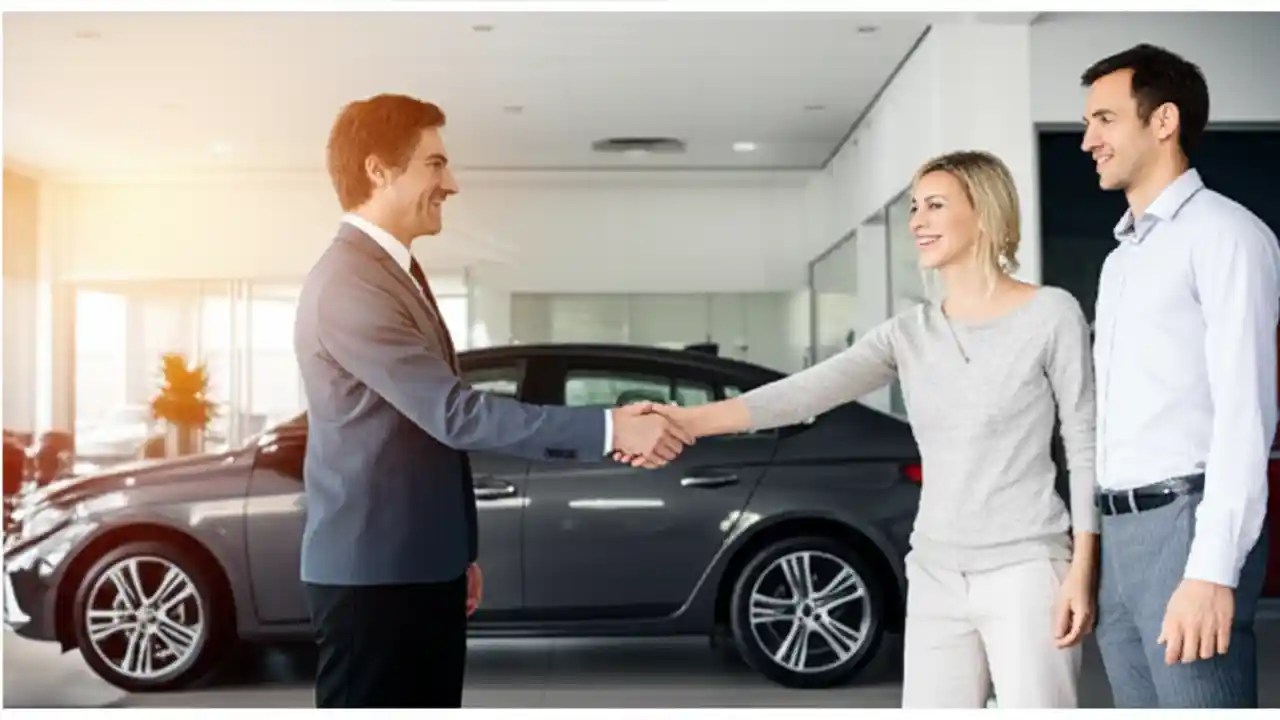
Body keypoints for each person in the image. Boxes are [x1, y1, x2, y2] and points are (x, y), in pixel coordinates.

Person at [618, 150, 1099, 708]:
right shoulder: (909, 333)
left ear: (986, 213)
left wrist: (1081, 568)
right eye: (915, 207)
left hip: (1026, 567)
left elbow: (1084, 442)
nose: (917, 220)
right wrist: (686, 420)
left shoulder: (1050, 315)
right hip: (936, 569)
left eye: (935, 205)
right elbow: (802, 394)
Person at [294, 93, 692, 709]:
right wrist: (610, 428)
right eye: (435, 164)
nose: (450, 183)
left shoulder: (394, 270)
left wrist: (457, 553)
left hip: (418, 566)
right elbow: (454, 414)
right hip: (373, 579)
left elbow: (422, 437)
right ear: (378, 170)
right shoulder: (350, 283)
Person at [1080, 44, 1279, 708]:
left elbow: (1247, 414)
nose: (1089, 140)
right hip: (1121, 530)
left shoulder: (1226, 236)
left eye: (1105, 120)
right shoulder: (1122, 260)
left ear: (1163, 121)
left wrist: (1212, 570)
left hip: (1185, 523)